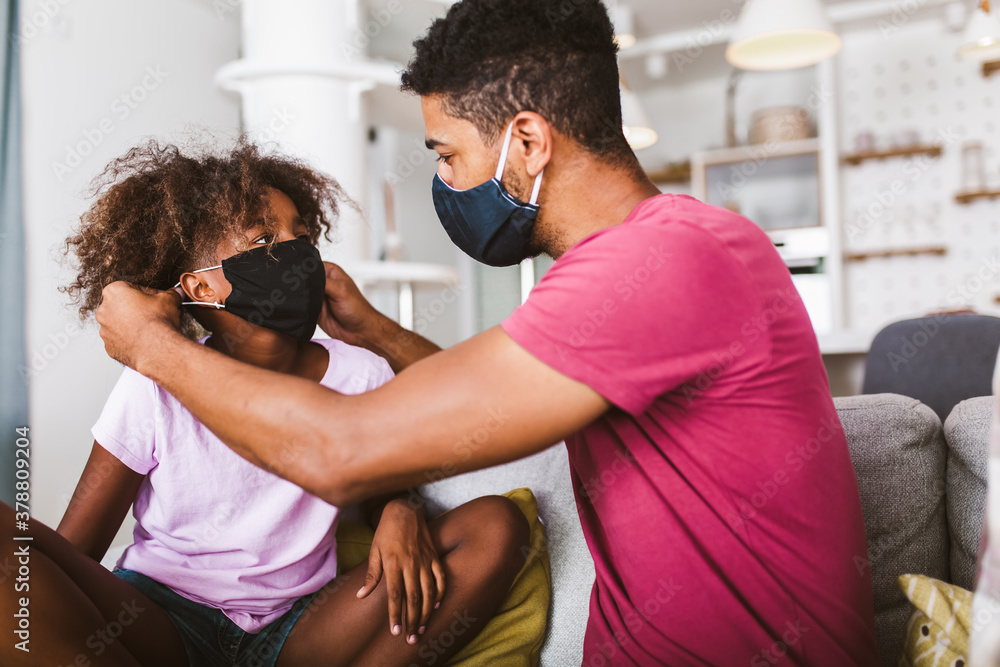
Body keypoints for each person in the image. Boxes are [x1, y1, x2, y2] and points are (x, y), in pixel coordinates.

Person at [92, 0, 881, 664]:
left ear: (528, 142)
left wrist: (150, 344)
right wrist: (376, 330)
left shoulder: (667, 260)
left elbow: (339, 452)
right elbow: (483, 403)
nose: (447, 182)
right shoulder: (622, 267)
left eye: (449, 155)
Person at [0, 140, 529, 667]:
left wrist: (400, 509)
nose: (297, 250)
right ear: (201, 285)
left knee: (495, 527)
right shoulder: (155, 377)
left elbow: (385, 478)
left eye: (301, 233)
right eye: (263, 239)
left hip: (298, 626)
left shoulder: (358, 369)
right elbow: (71, 557)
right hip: (163, 617)